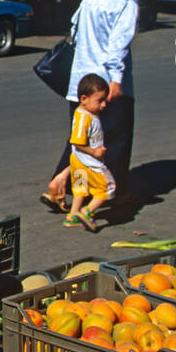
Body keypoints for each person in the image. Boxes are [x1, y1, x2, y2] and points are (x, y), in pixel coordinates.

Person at [41, 0, 160, 213]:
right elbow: (118, 46)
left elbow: (74, 30)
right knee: (115, 140)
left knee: (80, 139)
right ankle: (111, 193)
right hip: (107, 85)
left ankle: (66, 187)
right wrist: (116, 79)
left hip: (80, 83)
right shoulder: (126, 1)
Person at [62, 74, 114, 233]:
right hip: (90, 162)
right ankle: (87, 211)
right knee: (107, 187)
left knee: (80, 188)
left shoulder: (83, 113)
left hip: (77, 161)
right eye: (100, 101)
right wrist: (95, 152)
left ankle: (72, 216)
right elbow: (77, 142)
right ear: (84, 98)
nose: (104, 105)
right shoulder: (85, 119)